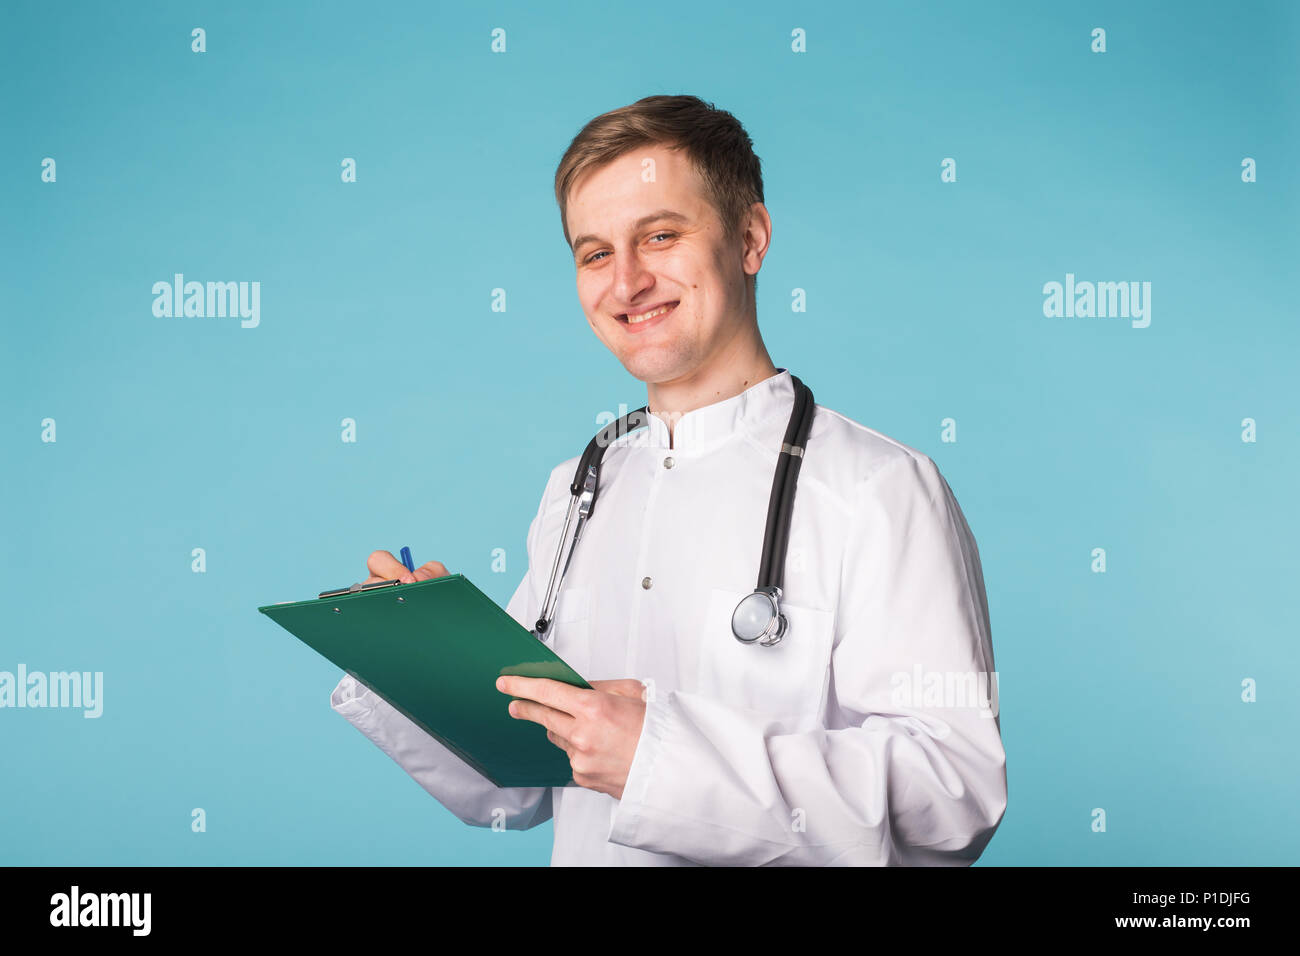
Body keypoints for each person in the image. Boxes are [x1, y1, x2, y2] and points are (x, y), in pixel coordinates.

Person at [330, 94, 1007, 866]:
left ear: (750, 238)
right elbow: (513, 794)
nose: (626, 283)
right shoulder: (576, 493)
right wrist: (424, 657)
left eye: (659, 236)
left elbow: (952, 798)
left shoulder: (881, 487)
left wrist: (661, 761)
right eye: (593, 253)